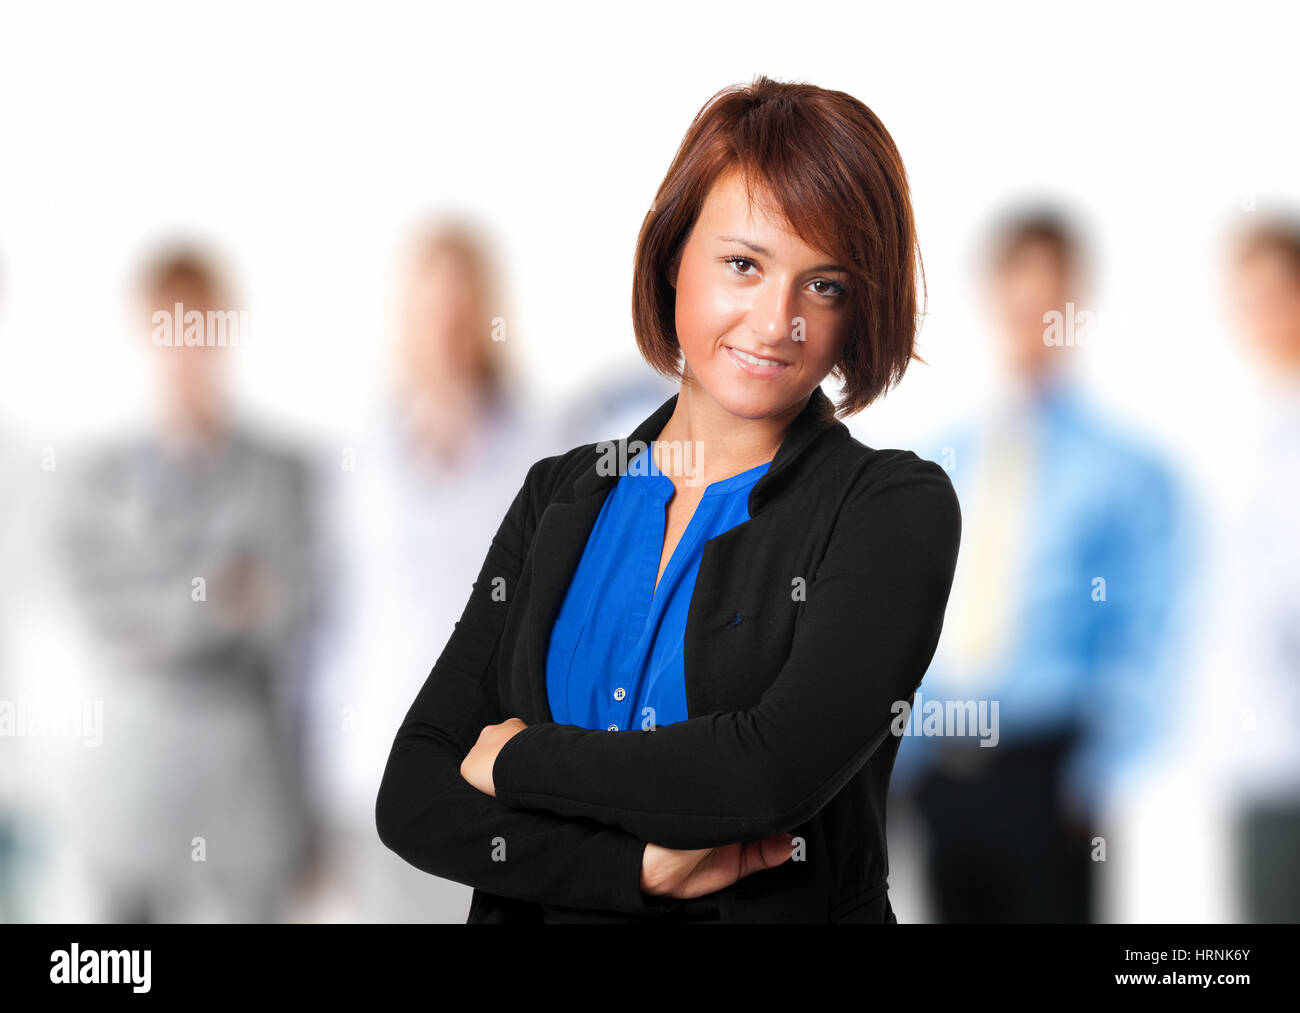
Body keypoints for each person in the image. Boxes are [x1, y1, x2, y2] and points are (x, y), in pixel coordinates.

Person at [375, 74, 962, 923]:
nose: (777, 322)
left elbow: (766, 773)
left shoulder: (889, 508)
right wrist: (635, 869)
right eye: (743, 264)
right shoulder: (561, 495)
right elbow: (415, 793)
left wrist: (517, 758)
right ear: (671, 255)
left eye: (824, 284)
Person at [891, 208, 1187, 922]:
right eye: (1019, 299)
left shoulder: (1124, 468)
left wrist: (1095, 774)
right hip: (943, 763)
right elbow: (909, 614)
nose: (1033, 319)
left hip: (1047, 771)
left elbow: (1148, 628)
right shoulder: (944, 456)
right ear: (994, 298)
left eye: (1049, 301)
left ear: (1075, 305)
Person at [53, 246, 322, 922]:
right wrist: (220, 592)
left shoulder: (283, 472)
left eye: (200, 327)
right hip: (133, 785)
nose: (186, 350)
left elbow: (293, 611)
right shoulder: (94, 480)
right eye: (170, 328)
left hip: (247, 782)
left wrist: (164, 603)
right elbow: (104, 622)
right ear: (145, 333)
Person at [1218, 212, 1300, 922]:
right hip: (1263, 759)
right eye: (1247, 296)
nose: (1263, 314)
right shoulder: (1235, 430)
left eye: (1278, 292)